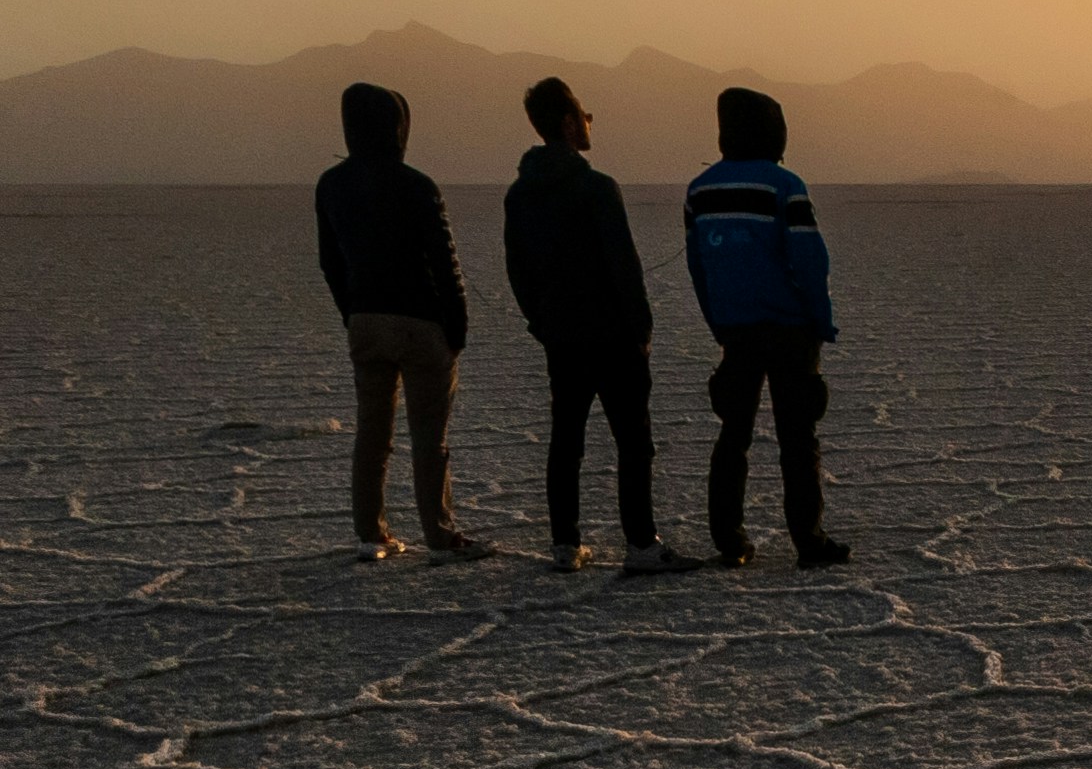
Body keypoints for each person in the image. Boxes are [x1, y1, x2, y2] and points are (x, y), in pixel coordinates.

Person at [501, 77, 701, 575]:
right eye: (584, 115)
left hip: (561, 338)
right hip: (612, 335)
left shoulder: (520, 194)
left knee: (566, 440)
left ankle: (565, 544)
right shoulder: (596, 188)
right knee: (633, 442)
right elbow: (623, 266)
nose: (589, 124)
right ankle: (641, 543)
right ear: (570, 124)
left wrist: (541, 322)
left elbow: (517, 270)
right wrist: (642, 328)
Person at [315, 82, 485, 560]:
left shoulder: (331, 185)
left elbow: (330, 261)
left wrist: (352, 312)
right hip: (421, 324)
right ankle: (441, 535)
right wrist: (457, 325)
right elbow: (444, 262)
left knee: (372, 433)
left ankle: (372, 535)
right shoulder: (417, 185)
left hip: (366, 322)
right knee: (429, 437)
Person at [683, 88, 848, 569]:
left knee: (733, 434)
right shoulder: (785, 186)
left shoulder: (700, 191)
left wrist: (718, 321)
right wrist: (821, 319)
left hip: (736, 330)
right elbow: (810, 260)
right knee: (798, 437)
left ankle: (729, 540)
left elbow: (699, 266)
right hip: (791, 330)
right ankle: (809, 541)